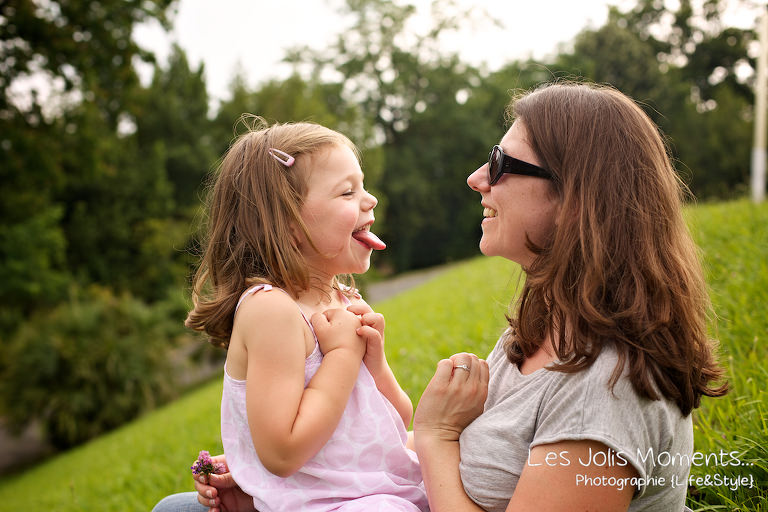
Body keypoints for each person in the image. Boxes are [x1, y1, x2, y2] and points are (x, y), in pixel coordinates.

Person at [160, 82, 726, 512]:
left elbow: (432, 441)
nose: (477, 178)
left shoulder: (603, 393)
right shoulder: (544, 327)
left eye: (501, 164)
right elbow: (365, 439)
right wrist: (286, 476)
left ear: (575, 195)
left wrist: (434, 434)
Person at [153, 117, 429, 512]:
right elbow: (281, 453)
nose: (370, 200)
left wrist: (376, 362)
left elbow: (397, 421)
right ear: (288, 223)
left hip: (375, 488)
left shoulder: (342, 298)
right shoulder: (272, 311)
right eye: (347, 192)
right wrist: (342, 357)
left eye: (363, 186)